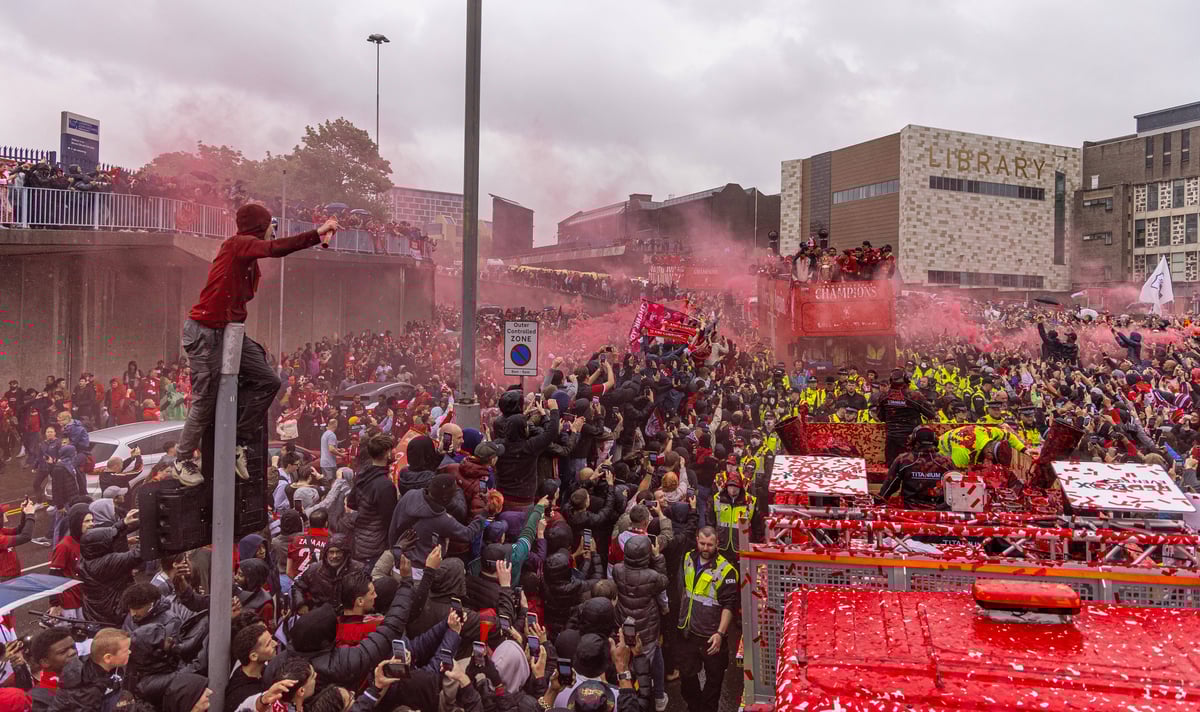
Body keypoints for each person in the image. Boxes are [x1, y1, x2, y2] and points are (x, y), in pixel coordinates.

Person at [173, 205, 339, 486]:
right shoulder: (238, 245)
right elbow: (275, 248)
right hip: (205, 331)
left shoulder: (248, 258)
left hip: (231, 330)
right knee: (205, 400)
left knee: (268, 380)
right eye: (270, 223)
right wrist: (316, 234)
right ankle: (183, 457)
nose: (274, 228)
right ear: (257, 226)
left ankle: (237, 441)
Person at [675, 527, 738, 712]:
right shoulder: (688, 558)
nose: (705, 548)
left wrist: (720, 633)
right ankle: (695, 707)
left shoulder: (726, 570)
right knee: (687, 677)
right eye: (702, 543)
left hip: (711, 635)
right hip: (688, 630)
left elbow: (729, 605)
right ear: (696, 540)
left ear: (717, 543)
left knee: (714, 679)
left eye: (710, 545)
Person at [346, 434, 397, 570]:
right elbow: (390, 521)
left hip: (360, 539)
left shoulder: (363, 474)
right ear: (387, 453)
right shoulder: (384, 485)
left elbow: (351, 503)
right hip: (375, 545)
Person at [49, 628, 130, 712]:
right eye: (125, 651)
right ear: (108, 658)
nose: (129, 652)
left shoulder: (103, 665)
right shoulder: (89, 689)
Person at [878, 426, 957, 509]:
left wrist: (878, 501)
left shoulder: (903, 459)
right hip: (938, 512)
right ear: (934, 440)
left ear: (913, 441)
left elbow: (889, 487)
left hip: (909, 512)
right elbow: (957, 490)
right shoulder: (946, 462)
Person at [871, 368, 935, 466]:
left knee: (892, 471)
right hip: (910, 440)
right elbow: (931, 414)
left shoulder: (884, 396)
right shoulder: (914, 396)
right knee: (911, 469)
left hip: (892, 440)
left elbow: (881, 417)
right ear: (906, 379)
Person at [226, 623, 278, 711]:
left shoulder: (264, 671)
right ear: (254, 656)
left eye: (272, 639)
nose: (275, 644)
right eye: (268, 644)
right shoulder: (240, 695)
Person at [28, 628, 77, 712]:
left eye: (73, 647)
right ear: (45, 662)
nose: (73, 652)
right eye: (63, 652)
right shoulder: (38, 700)